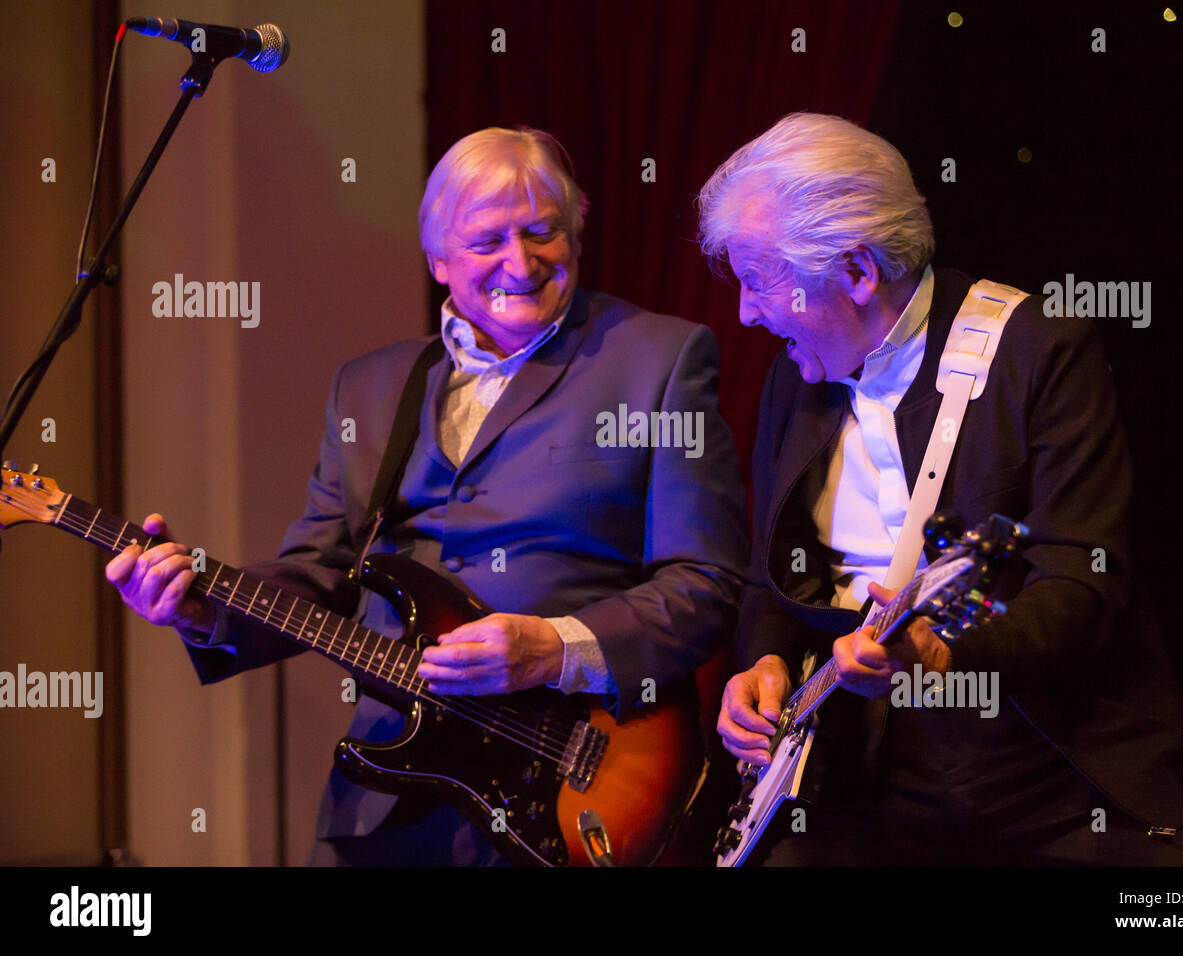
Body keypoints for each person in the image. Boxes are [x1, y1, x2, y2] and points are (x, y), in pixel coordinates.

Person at [106, 126, 748, 865]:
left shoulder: (659, 359)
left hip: (570, 791)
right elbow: (320, 574)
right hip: (382, 807)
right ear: (439, 260)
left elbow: (706, 585)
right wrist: (200, 606)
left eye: (544, 231)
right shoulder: (370, 387)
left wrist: (553, 650)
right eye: (487, 243)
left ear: (576, 234)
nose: (522, 261)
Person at [701, 113, 1183, 865]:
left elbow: (1081, 585)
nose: (744, 311)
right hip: (855, 784)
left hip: (1043, 783)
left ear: (858, 271)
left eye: (759, 280)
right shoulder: (794, 373)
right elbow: (769, 578)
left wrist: (940, 654)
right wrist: (766, 661)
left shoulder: (1038, 349)